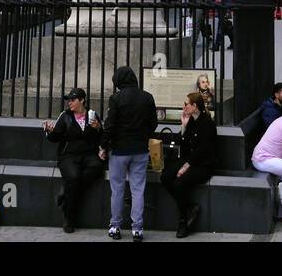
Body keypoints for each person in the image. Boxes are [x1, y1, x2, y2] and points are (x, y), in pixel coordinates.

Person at [98, 66, 157, 241]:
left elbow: (110, 125)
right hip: (140, 150)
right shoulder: (147, 97)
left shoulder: (116, 99)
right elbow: (153, 123)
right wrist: (142, 136)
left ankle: (115, 226)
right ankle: (137, 229)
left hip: (119, 150)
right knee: (138, 189)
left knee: (117, 190)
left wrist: (103, 145)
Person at [44, 88, 103, 233]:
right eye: (68, 100)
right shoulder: (65, 116)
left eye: (73, 100)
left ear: (82, 100)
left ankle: (67, 193)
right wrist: (49, 131)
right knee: (74, 176)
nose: (69, 103)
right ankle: (69, 218)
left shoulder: (92, 115)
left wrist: (99, 128)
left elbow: (101, 136)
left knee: (97, 167)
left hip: (88, 155)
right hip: (68, 155)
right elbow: (55, 137)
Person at [161, 91, 217, 238]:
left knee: (179, 184)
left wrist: (186, 167)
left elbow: (203, 151)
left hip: (203, 164)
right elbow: (184, 146)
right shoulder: (190, 120)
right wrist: (184, 127)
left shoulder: (208, 124)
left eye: (186, 104)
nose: (184, 107)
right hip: (189, 159)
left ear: (195, 106)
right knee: (165, 177)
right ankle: (190, 207)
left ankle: (183, 221)